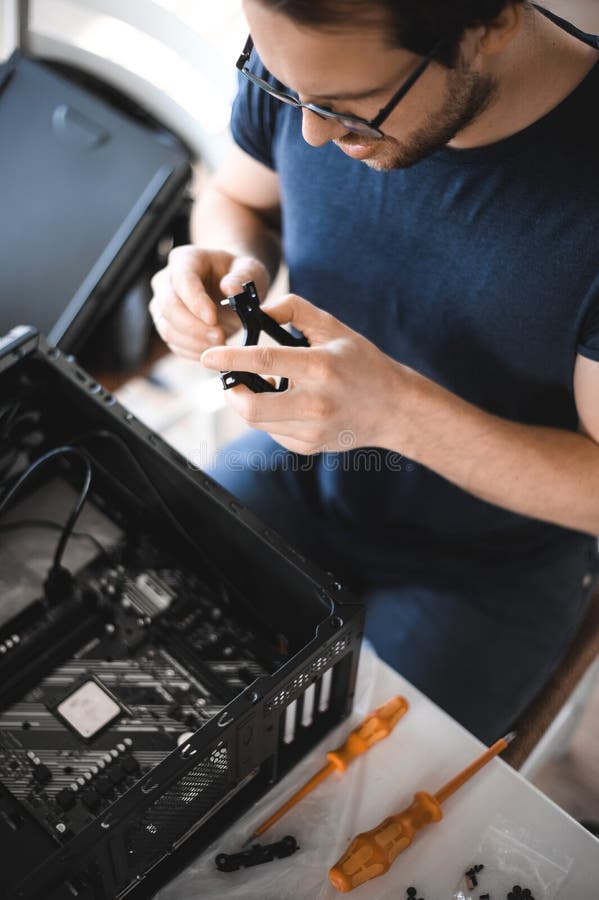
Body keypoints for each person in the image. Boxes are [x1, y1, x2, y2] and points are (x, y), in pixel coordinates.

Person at [149, 0, 599, 742]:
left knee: (332, 794)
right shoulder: (307, 55)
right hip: (295, 472)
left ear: (490, 21)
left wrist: (395, 413)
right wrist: (231, 268)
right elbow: (236, 196)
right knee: (129, 645)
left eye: (346, 110)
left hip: (486, 565)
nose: (312, 133)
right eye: (285, 91)